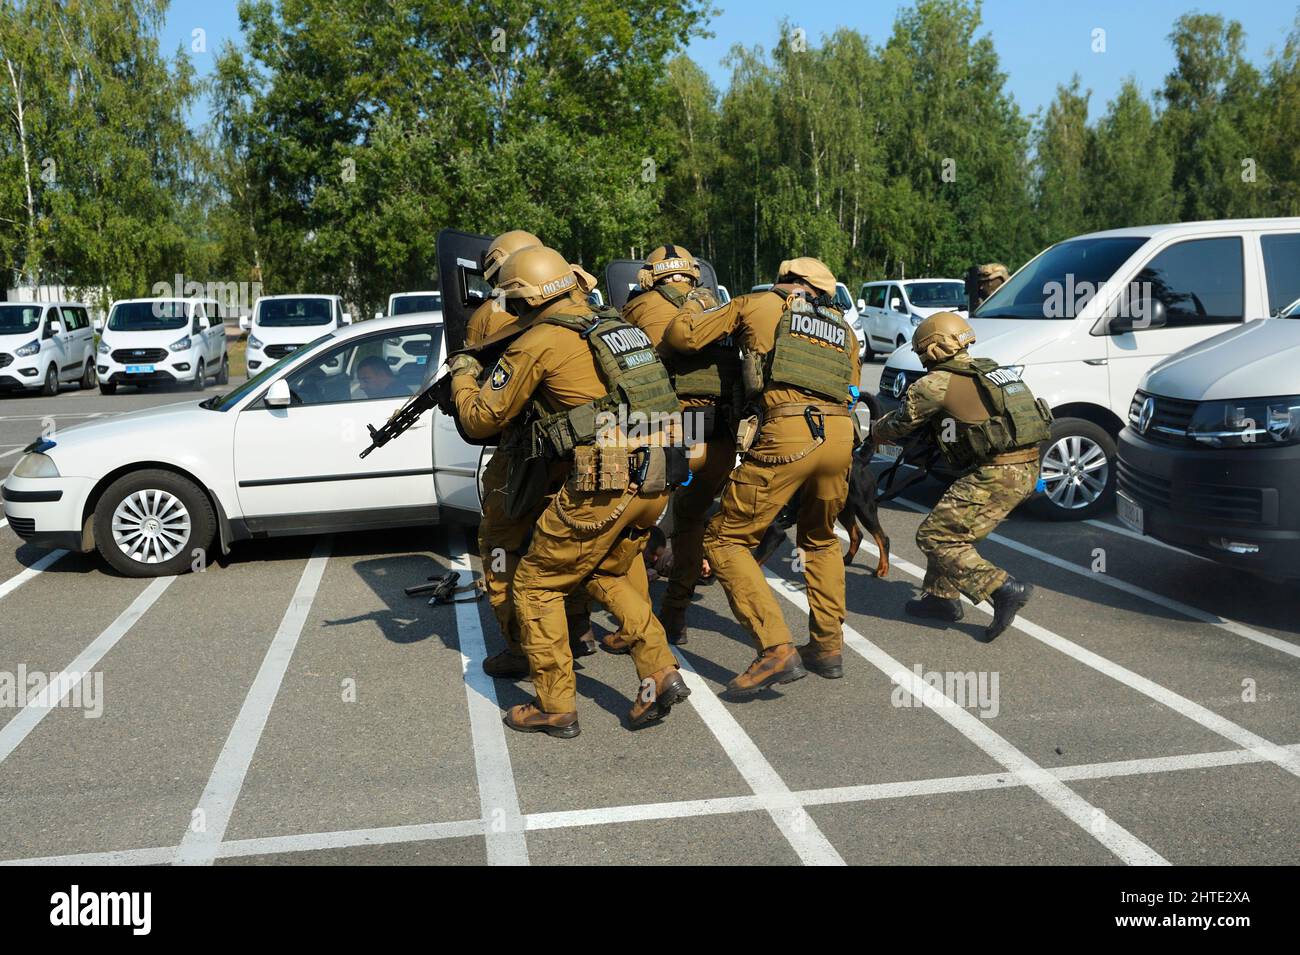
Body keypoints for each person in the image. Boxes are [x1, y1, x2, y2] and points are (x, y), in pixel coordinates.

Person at [449, 245, 690, 738]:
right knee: (605, 573)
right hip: (658, 475)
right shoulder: (614, 326)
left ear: (523, 299)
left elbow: (478, 421)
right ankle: (659, 673)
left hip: (605, 479)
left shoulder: (539, 341)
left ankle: (555, 706)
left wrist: (463, 375)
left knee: (536, 584)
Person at [665, 257, 860, 693]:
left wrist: (690, 302)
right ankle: (827, 647)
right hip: (841, 436)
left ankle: (775, 648)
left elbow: (683, 336)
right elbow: (849, 384)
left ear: (784, 280)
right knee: (820, 538)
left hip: (789, 431)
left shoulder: (756, 304)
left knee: (725, 538)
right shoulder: (843, 330)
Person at [463, 231, 604, 677]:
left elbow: (483, 412)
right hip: (586, 449)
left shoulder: (492, 315)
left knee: (501, 545)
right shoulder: (586, 305)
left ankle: (521, 647)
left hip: (523, 452)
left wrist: (459, 379)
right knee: (572, 546)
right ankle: (579, 626)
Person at [871, 311, 1051, 641]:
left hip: (997, 473)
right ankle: (941, 600)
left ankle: (1003, 588)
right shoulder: (994, 370)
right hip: (1026, 467)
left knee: (936, 537)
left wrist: (874, 430)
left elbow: (899, 425)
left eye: (922, 351)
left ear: (932, 349)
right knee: (951, 525)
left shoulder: (934, 383)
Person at [601, 244, 738, 652]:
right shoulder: (718, 307)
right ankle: (675, 616)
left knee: (631, 523)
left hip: (674, 428)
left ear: (651, 277)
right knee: (691, 521)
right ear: (692, 278)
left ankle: (636, 622)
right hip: (721, 434)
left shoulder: (642, 306)